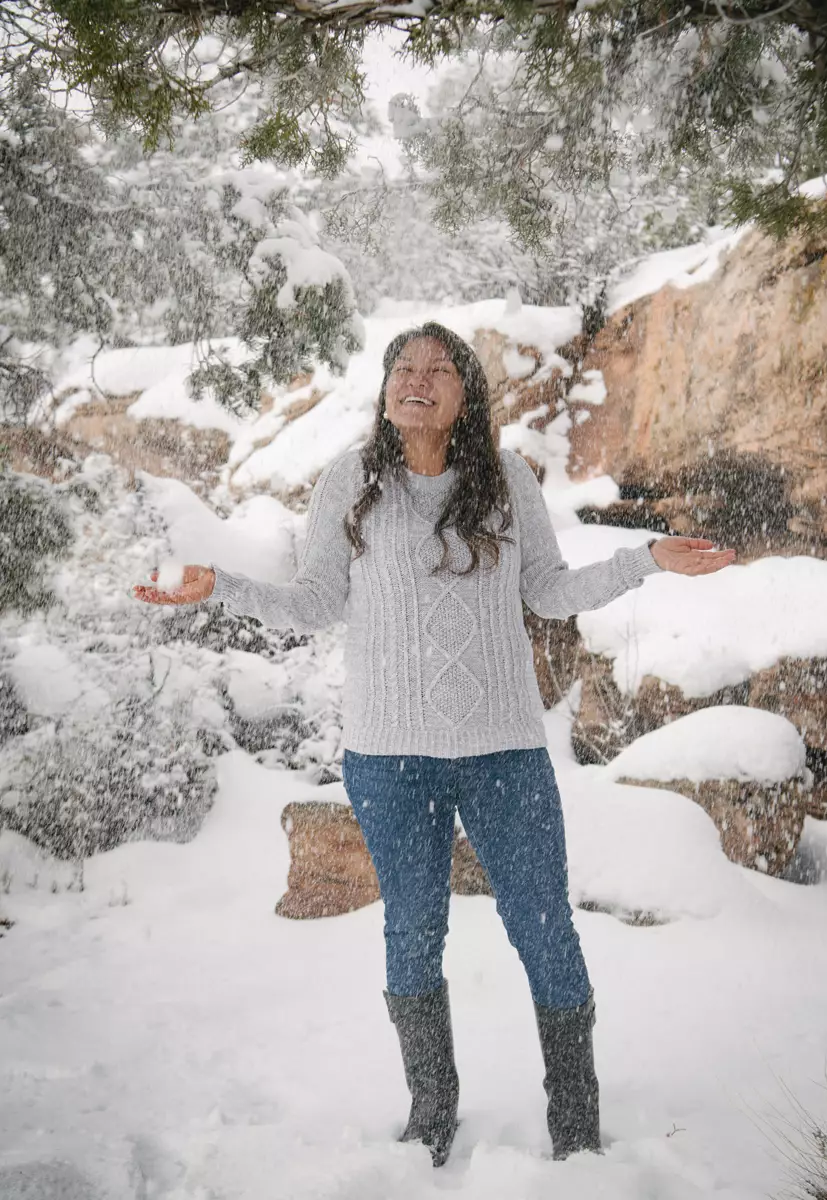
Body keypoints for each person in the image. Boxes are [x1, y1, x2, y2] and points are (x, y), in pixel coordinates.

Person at [135, 322, 734, 1166]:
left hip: (503, 752)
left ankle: (574, 1121)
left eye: (439, 369)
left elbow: (554, 594)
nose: (419, 379)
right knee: (412, 934)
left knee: (545, 928)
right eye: (404, 368)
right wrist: (219, 588)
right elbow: (313, 603)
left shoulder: (506, 482)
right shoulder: (350, 481)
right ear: (385, 390)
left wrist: (647, 561)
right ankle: (430, 1117)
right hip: (388, 758)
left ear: (465, 394)